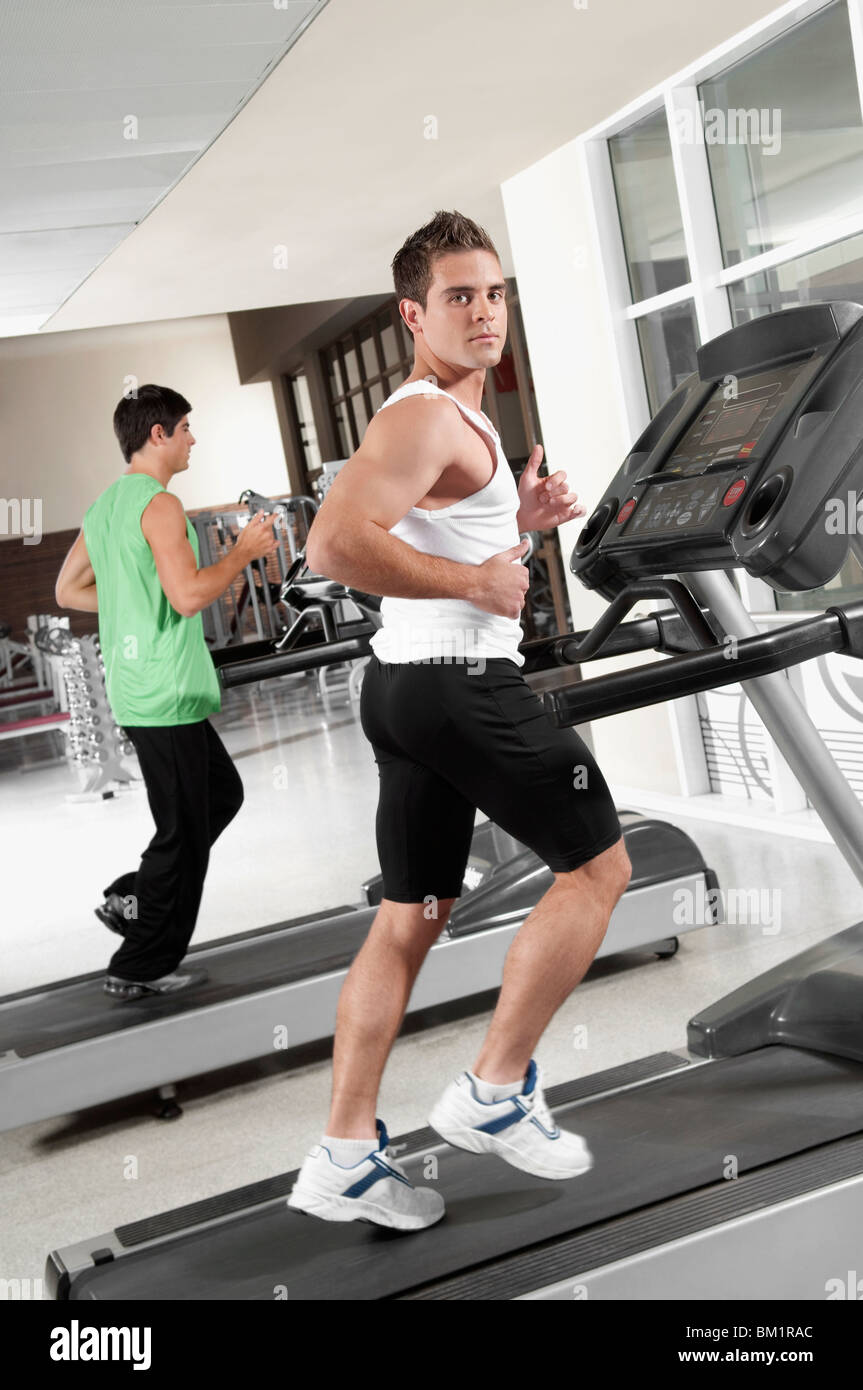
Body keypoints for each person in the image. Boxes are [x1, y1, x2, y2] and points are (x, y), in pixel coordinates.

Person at [287, 211, 632, 1232]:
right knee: (598, 867)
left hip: (403, 688)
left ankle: (342, 1153)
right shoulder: (425, 414)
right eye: (457, 298)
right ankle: (492, 1090)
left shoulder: (458, 425)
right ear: (412, 314)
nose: (483, 313)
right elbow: (329, 544)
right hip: (453, 686)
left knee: (409, 917)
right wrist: (472, 581)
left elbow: (444, 535)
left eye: (493, 293)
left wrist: (511, 531)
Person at [55, 384, 279, 999]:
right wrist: (243, 552)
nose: (192, 439)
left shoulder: (105, 507)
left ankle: (136, 893)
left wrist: (132, 608)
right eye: (186, 428)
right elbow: (187, 596)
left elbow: (68, 591)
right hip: (167, 690)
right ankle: (141, 963)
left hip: (139, 689)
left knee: (219, 796)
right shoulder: (159, 505)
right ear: (159, 434)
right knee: (183, 832)